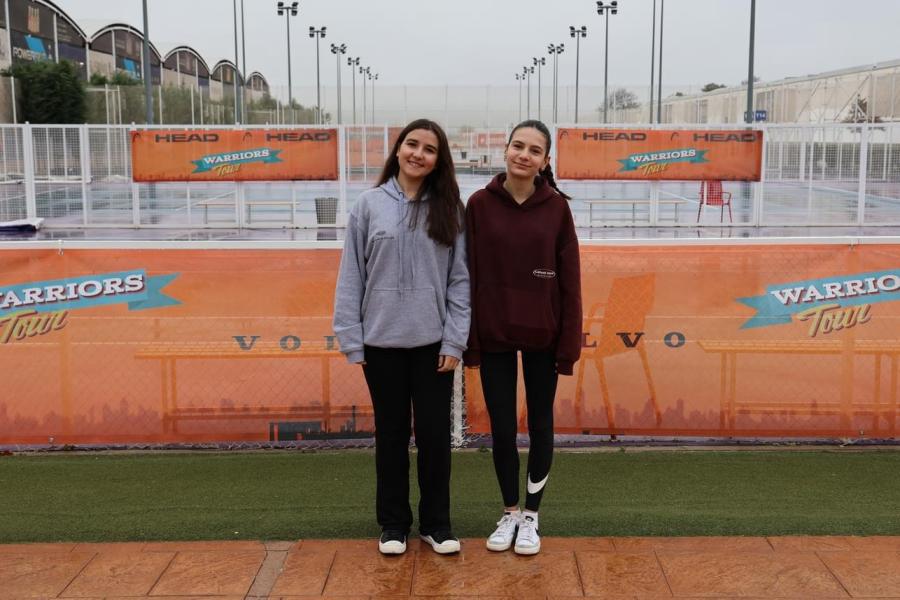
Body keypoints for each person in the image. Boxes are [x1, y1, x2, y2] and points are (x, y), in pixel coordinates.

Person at [333, 118, 470, 556]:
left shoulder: (450, 208)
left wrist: (454, 341)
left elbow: (460, 281)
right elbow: (351, 275)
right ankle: (393, 525)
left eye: (429, 149)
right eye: (412, 144)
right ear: (397, 150)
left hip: (433, 346)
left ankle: (437, 524)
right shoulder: (369, 205)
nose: (418, 154)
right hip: (381, 345)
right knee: (390, 437)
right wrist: (352, 338)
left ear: (437, 161)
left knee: (433, 438)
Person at [463, 119, 582, 556]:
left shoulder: (556, 209)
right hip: (494, 335)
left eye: (535, 150)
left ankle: (532, 516)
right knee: (500, 428)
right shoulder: (478, 204)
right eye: (518, 146)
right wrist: (470, 341)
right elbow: (467, 275)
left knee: (541, 424)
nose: (524, 155)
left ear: (545, 161)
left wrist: (567, 347)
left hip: (542, 338)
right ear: (506, 149)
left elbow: (570, 281)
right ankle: (509, 511)